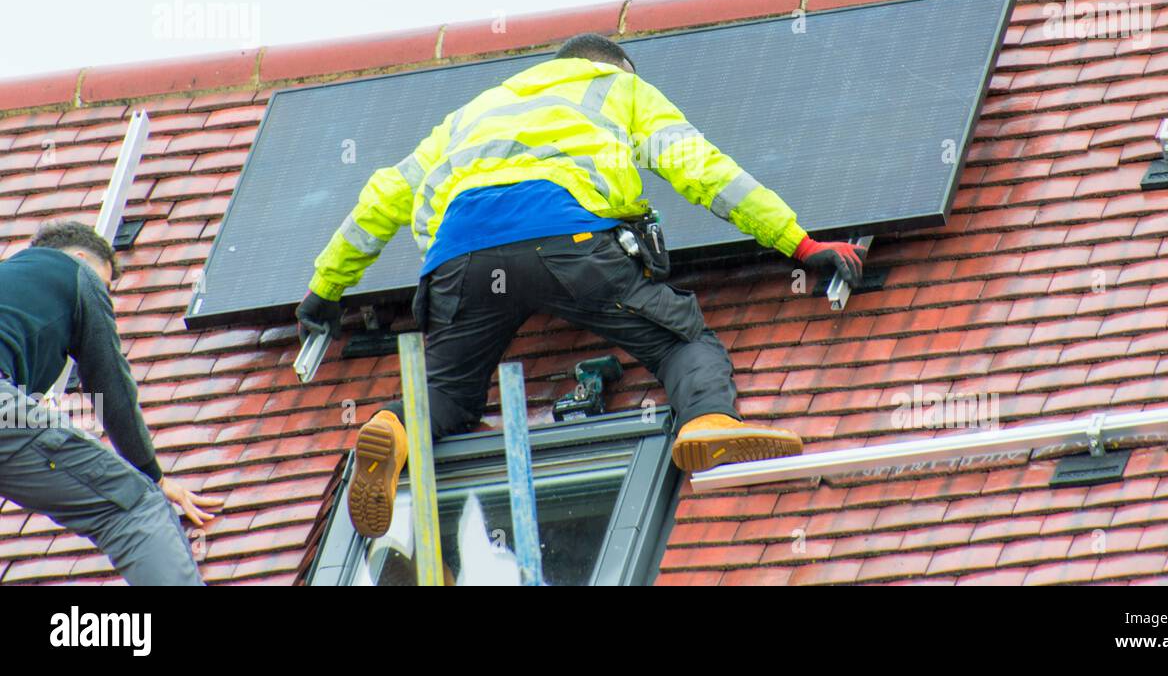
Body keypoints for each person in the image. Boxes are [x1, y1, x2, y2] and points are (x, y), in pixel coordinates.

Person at [297, 33, 871, 537]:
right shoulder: (618, 88)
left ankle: (393, 430)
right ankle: (706, 421)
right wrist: (799, 244)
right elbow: (701, 168)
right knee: (681, 342)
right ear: (616, 66)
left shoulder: (475, 111)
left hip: (461, 258)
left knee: (447, 392)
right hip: (570, 242)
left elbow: (382, 199)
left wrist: (324, 292)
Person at [0, 220, 222, 585]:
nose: (103, 297)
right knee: (135, 507)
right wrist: (151, 474)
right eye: (105, 287)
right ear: (83, 257)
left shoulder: (15, 289)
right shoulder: (74, 273)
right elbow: (109, 384)